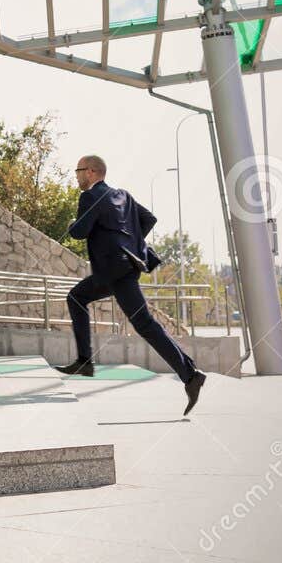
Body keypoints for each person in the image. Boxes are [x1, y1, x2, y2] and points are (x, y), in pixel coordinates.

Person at [61, 155, 206, 415]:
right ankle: (189, 373)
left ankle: (190, 375)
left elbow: (79, 232)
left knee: (83, 300)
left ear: (92, 172)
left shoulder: (90, 197)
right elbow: (149, 219)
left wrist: (73, 225)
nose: (77, 176)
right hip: (124, 270)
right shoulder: (123, 196)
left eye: (79, 171)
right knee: (141, 322)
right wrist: (130, 245)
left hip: (111, 271)